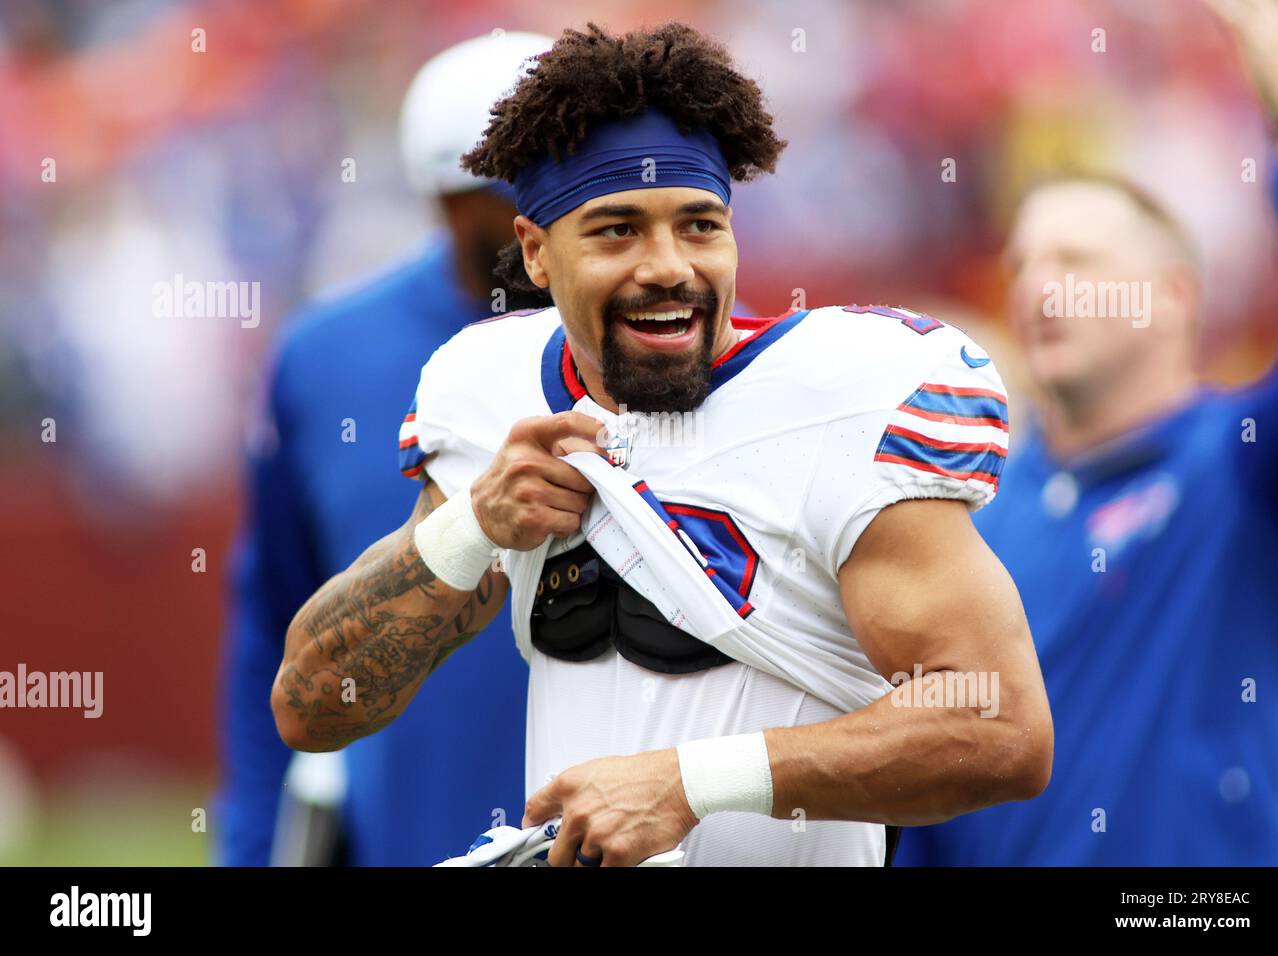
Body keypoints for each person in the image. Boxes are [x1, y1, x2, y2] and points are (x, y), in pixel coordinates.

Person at [271, 21, 1053, 867]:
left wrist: (693, 782)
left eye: (700, 225)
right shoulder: (485, 391)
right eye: (617, 230)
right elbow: (314, 706)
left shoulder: (843, 394)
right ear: (535, 253)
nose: (669, 265)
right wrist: (471, 527)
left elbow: (1003, 725)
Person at [897, 0, 1278, 865]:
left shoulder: (1246, 466)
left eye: (1076, 263)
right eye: (1023, 268)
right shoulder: (975, 523)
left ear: (1175, 297)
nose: (1040, 288)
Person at [216, 31, 555, 867]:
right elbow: (273, 623)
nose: (542, 208)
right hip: (404, 833)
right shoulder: (325, 356)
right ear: (444, 199)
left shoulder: (666, 344)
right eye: (506, 187)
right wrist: (253, 846)